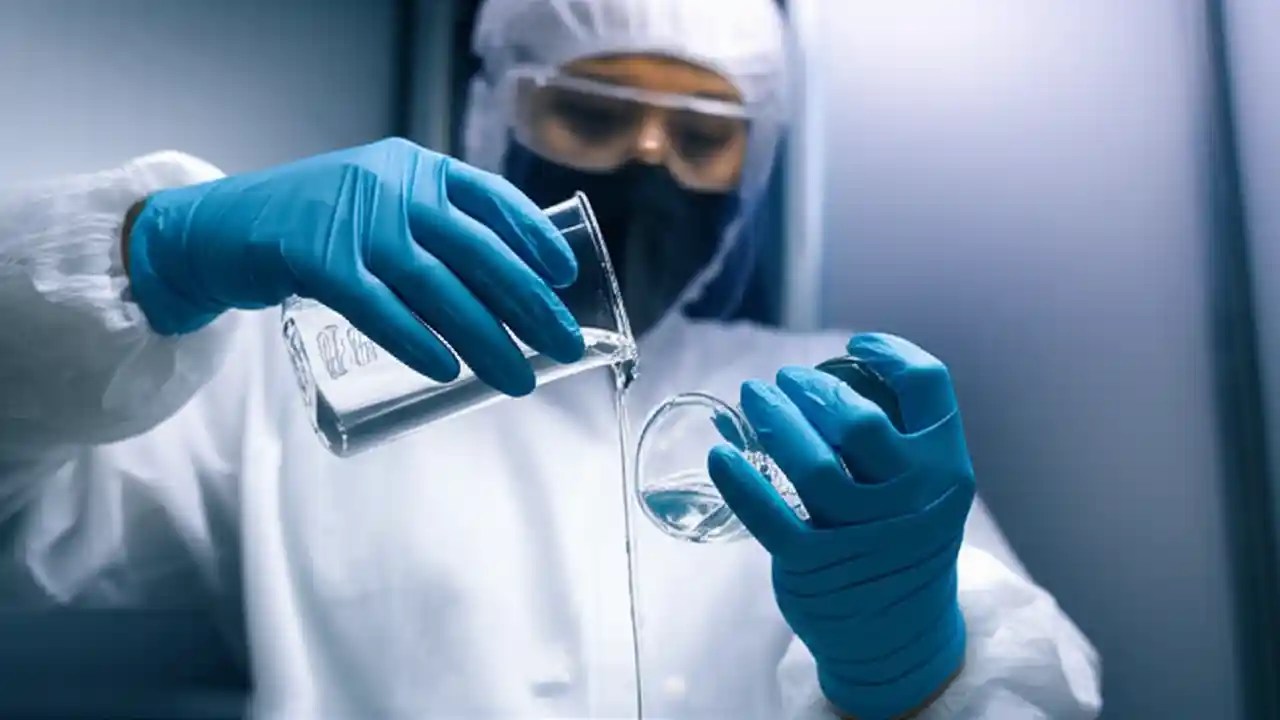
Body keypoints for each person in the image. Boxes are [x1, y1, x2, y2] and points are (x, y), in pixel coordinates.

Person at [0, 0, 1102, 718]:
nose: (648, 162)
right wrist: (143, 257)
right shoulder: (281, 385)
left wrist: (912, 665)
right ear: (501, 119)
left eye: (702, 135)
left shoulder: (826, 401)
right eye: (595, 112)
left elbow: (1030, 701)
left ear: (750, 168)